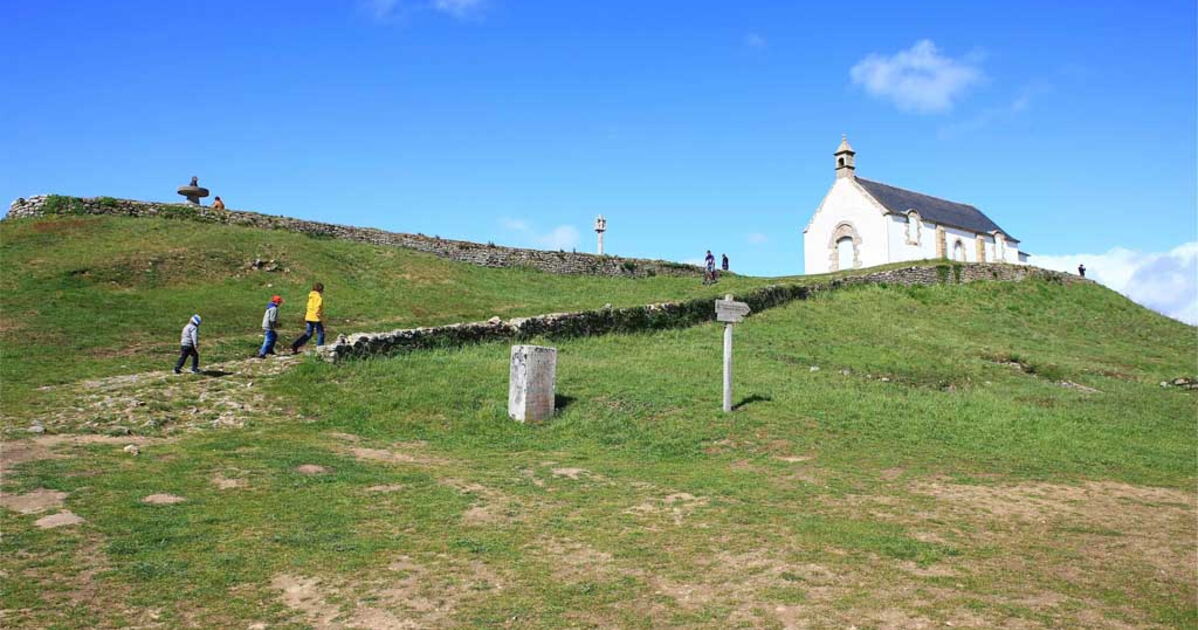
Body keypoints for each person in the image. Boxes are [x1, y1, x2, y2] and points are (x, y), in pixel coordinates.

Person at [291, 283, 325, 353]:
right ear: (321, 290)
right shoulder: (319, 298)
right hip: (316, 317)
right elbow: (318, 307)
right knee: (320, 333)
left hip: (309, 317)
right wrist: (319, 315)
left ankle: (295, 345)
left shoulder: (310, 296)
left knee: (308, 334)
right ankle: (320, 349)